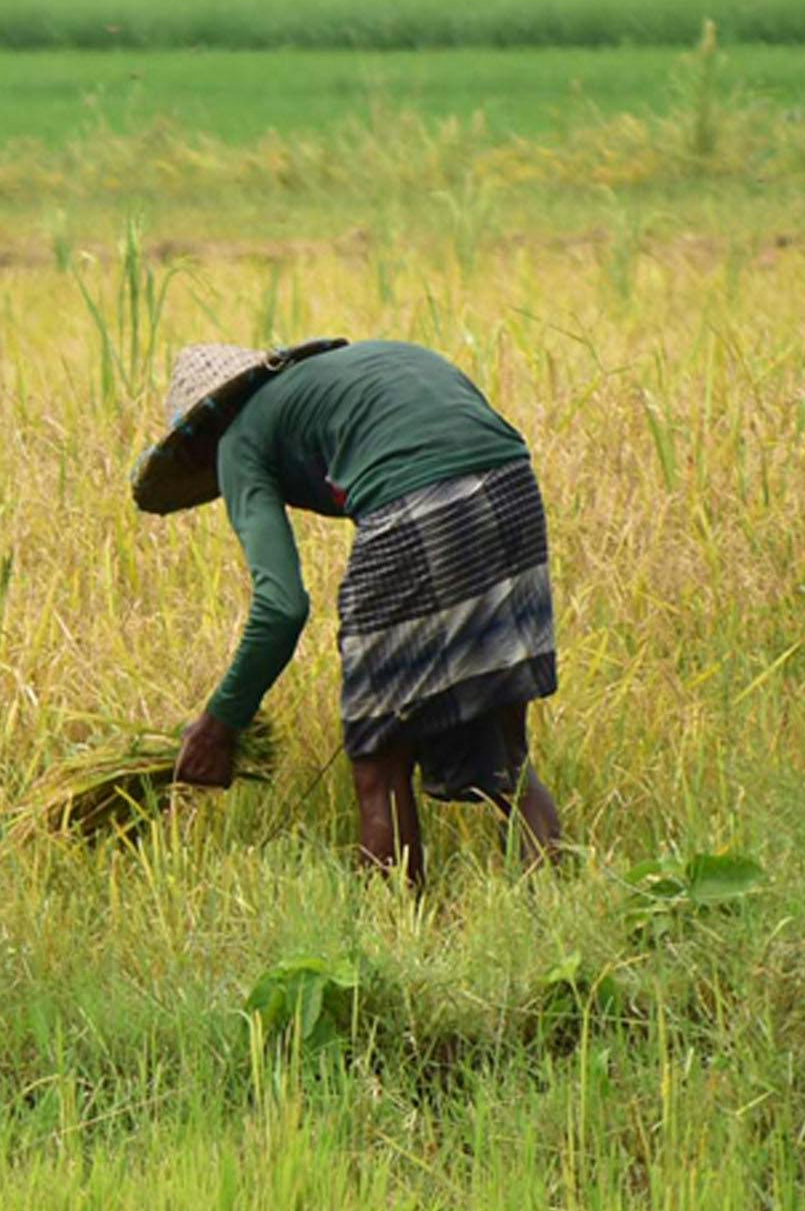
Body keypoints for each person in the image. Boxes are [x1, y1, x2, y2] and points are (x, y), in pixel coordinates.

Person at [134, 339, 564, 888]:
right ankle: (557, 904)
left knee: (379, 757)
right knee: (505, 755)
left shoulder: (238, 439)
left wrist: (220, 725)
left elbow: (281, 607)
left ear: (200, 437)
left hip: (416, 502)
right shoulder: (345, 375)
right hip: (513, 492)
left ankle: (389, 942)